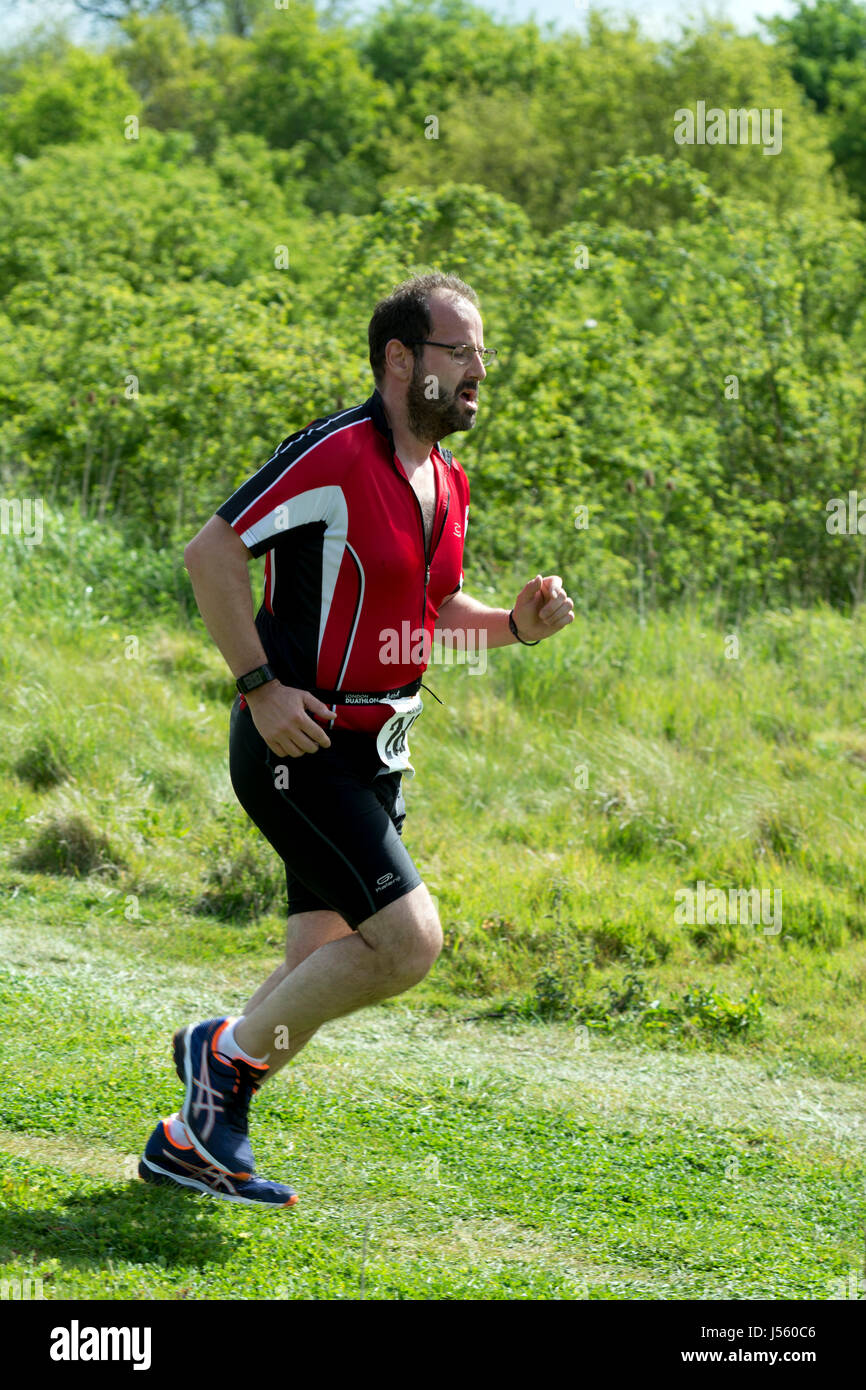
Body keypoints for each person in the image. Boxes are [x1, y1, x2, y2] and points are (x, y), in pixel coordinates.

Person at [138, 272, 574, 1206]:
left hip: (381, 752)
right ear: (399, 359)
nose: (478, 372)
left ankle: (189, 1139)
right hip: (302, 745)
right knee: (407, 943)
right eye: (460, 352)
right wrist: (258, 689)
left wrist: (515, 627)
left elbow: (432, 615)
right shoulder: (334, 454)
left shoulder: (446, 479)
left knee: (315, 968)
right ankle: (220, 1065)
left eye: (481, 353)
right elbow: (211, 555)